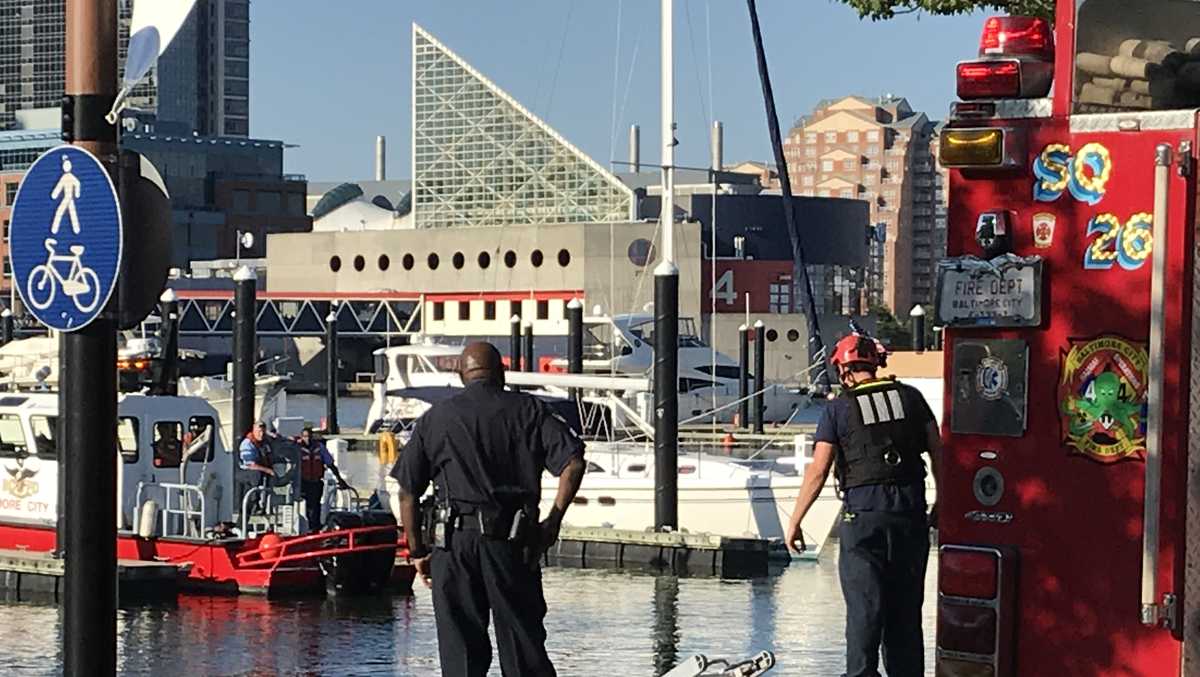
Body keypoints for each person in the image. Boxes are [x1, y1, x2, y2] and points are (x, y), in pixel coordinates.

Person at [394, 342, 586, 677]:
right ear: (501, 373)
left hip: (452, 547)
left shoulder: (435, 418)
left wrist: (417, 551)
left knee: (462, 657)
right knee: (523, 650)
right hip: (512, 544)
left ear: (461, 375)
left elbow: (408, 493)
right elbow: (573, 464)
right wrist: (552, 522)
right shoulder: (530, 410)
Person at [784, 333, 940, 677]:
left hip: (864, 515)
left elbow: (819, 470)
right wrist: (942, 500)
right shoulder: (911, 398)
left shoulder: (838, 408)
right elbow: (938, 452)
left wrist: (796, 520)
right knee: (905, 612)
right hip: (910, 512)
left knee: (865, 609)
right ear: (875, 363)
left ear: (844, 370)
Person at [296, 426, 349, 531]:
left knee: (316, 505)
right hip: (303, 482)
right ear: (301, 437)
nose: (308, 439)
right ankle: (306, 526)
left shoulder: (320, 447)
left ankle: (315, 527)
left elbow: (330, 464)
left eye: (310, 436)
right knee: (306, 506)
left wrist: (339, 479)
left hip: (316, 481)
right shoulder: (297, 449)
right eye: (305, 437)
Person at [239, 421, 275, 513]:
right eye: (259, 431)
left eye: (263, 431)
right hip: (245, 473)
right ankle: (253, 504)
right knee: (256, 474)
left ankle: (263, 506)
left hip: (261, 473)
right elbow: (250, 464)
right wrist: (268, 470)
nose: (261, 434)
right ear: (254, 430)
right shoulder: (247, 444)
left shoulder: (265, 443)